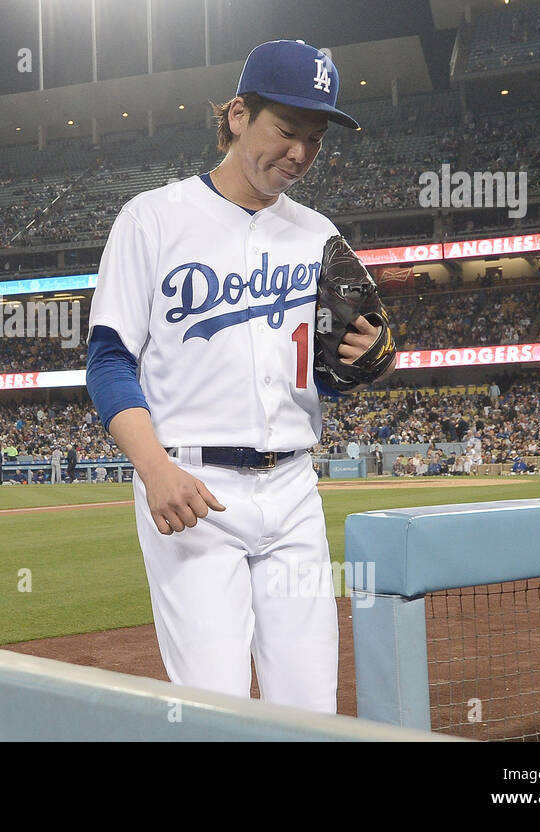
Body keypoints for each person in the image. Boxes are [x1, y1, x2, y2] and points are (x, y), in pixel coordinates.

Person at [85, 40, 384, 713]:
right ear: (238, 115)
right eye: (287, 130)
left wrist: (355, 364)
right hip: (193, 490)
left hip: (293, 488)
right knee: (215, 710)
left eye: (314, 139)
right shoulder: (153, 218)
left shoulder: (317, 234)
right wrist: (154, 468)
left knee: (311, 710)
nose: (301, 153)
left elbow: (321, 375)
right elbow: (109, 360)